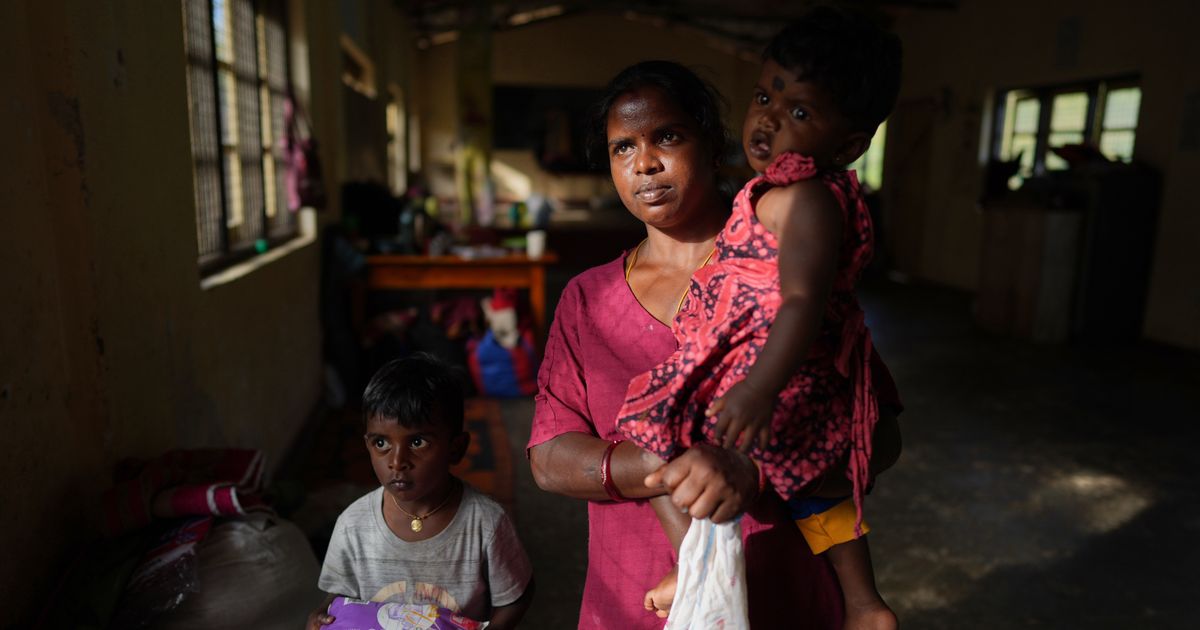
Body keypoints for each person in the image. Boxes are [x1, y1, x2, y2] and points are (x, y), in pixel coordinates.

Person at [529, 59, 901, 629]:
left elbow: (878, 437)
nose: (645, 163)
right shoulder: (586, 299)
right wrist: (665, 462)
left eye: (668, 137)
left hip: (786, 595)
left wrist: (750, 468)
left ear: (711, 143)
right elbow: (550, 459)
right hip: (630, 603)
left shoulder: (782, 259)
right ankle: (690, 562)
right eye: (622, 148)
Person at [308, 354, 534, 629]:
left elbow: (516, 595)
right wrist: (321, 613)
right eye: (381, 443)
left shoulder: (486, 523)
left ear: (456, 448)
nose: (396, 461)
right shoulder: (352, 525)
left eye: (416, 441)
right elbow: (340, 597)